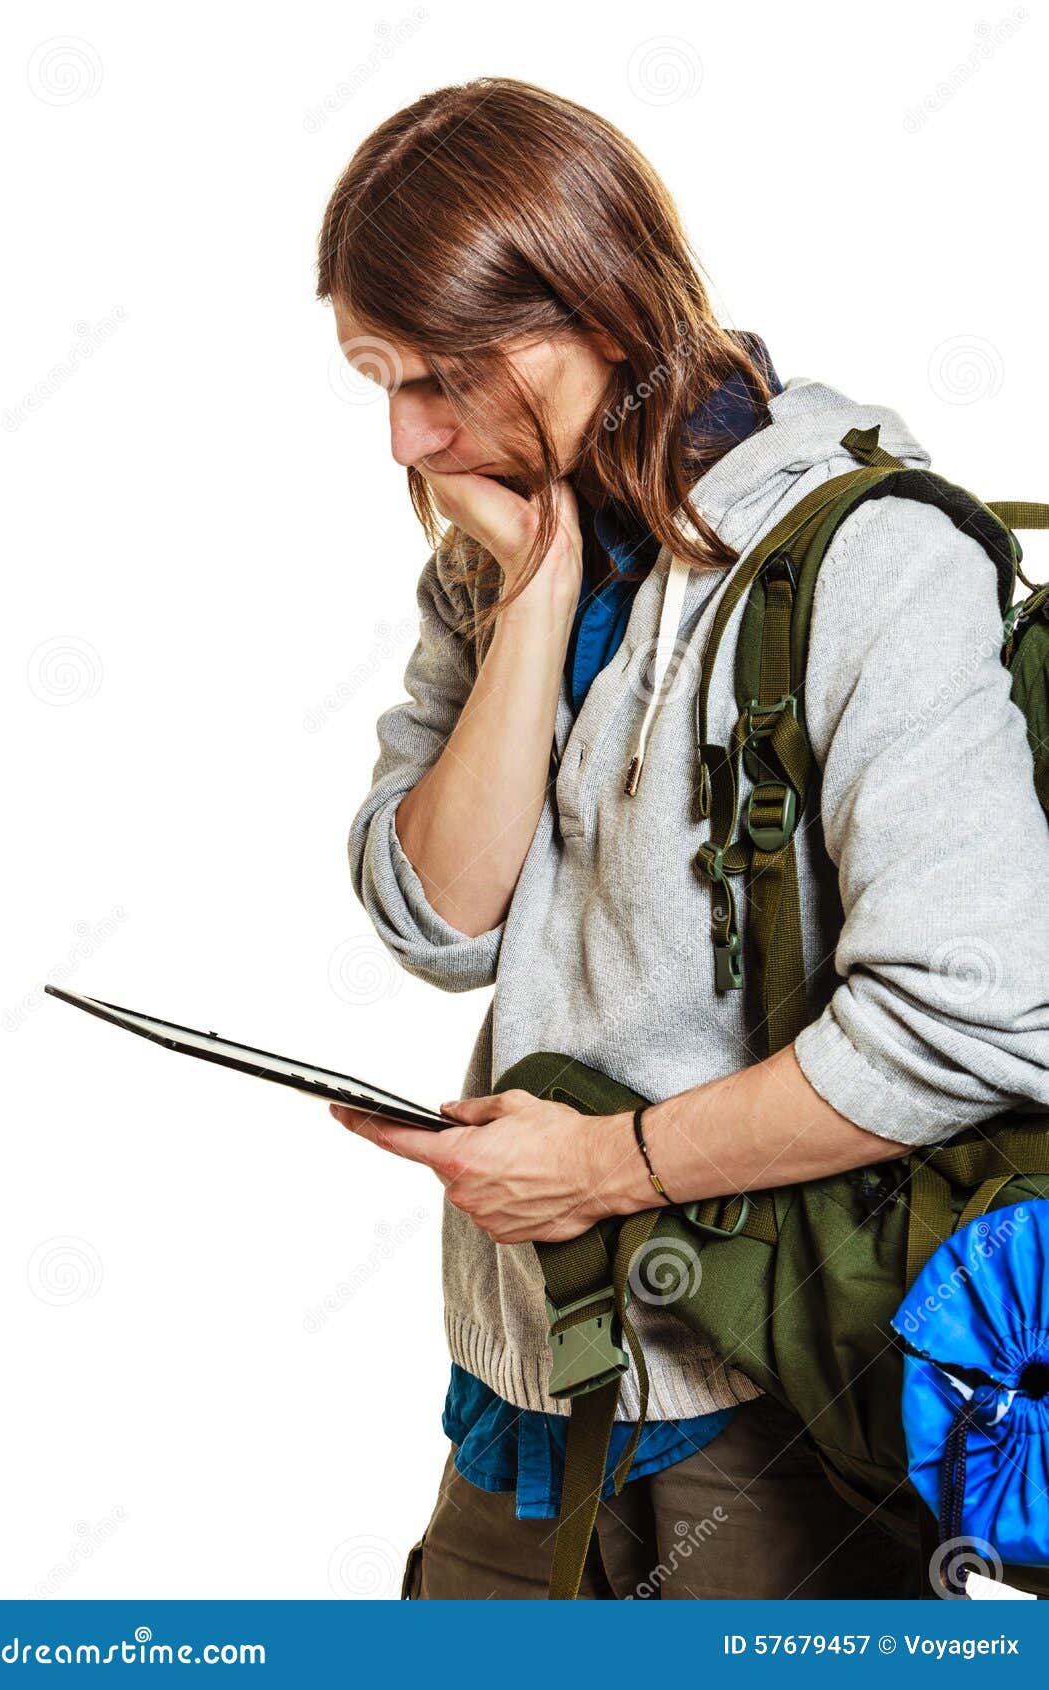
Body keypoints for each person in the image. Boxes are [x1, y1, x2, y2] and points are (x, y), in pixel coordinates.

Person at [314, 77, 1049, 1599]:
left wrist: (606, 1167)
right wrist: (529, 598)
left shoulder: (871, 561)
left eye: (437, 372)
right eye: (376, 378)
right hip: (527, 1374)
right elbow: (434, 917)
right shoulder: (503, 553)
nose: (406, 429)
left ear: (581, 307)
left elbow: (977, 1017)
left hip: (773, 1408)